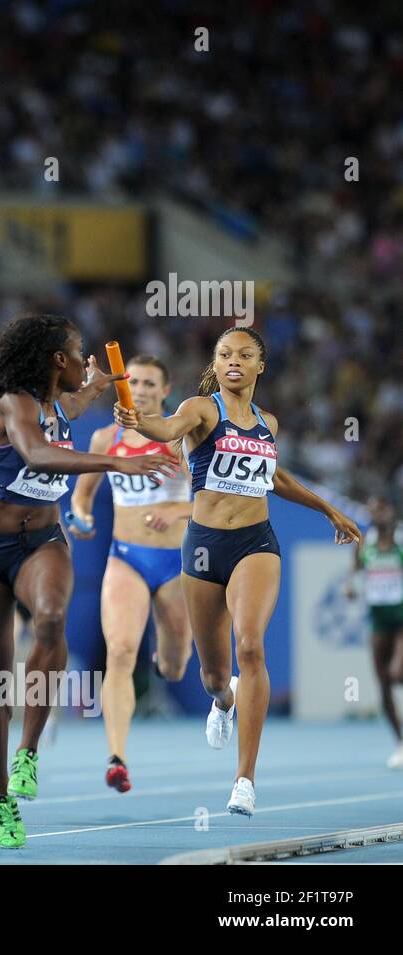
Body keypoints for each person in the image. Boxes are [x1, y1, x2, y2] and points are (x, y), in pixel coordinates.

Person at [114, 327, 359, 815]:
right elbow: (166, 429)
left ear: (259, 366)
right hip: (204, 547)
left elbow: (277, 478)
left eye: (244, 355)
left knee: (250, 645)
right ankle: (222, 701)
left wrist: (328, 509)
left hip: (256, 543)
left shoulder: (268, 421)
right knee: (212, 674)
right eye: (224, 353)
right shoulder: (202, 409)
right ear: (216, 362)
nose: (233, 361)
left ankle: (244, 779)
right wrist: (138, 421)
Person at [0, 315, 177, 848]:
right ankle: (1, 796)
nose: (86, 360)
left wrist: (99, 386)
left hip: (42, 540)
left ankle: (29, 752)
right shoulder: (11, 404)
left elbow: (69, 409)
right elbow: (37, 453)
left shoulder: (55, 403)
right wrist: (114, 464)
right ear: (57, 358)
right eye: (80, 354)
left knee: (52, 620)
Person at [67, 355, 193, 792]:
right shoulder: (107, 437)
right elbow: (82, 497)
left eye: (148, 383)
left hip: (176, 566)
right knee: (119, 652)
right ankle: (117, 757)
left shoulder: (181, 438)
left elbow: (214, 502)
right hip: (126, 559)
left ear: (165, 389)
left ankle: (167, 658)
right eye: (132, 380)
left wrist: (176, 510)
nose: (138, 388)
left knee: (175, 667)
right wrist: (81, 518)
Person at [348, 496, 403, 769]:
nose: (376, 515)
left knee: (397, 673)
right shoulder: (365, 543)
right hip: (379, 619)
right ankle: (400, 742)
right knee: (383, 682)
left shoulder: (401, 541)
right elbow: (354, 571)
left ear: (390, 511)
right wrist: (351, 586)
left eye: (381, 509)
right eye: (372, 510)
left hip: (402, 618)